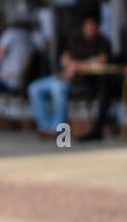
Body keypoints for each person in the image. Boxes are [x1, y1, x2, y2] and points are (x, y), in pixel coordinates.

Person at [27, 8, 110, 136]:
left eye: (92, 26)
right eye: (87, 26)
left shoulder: (102, 42)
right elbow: (64, 59)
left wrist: (78, 65)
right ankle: (46, 127)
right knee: (34, 88)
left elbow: (102, 60)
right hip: (63, 76)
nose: (89, 28)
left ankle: (58, 130)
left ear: (97, 27)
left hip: (82, 82)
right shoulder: (77, 40)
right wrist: (72, 65)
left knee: (59, 89)